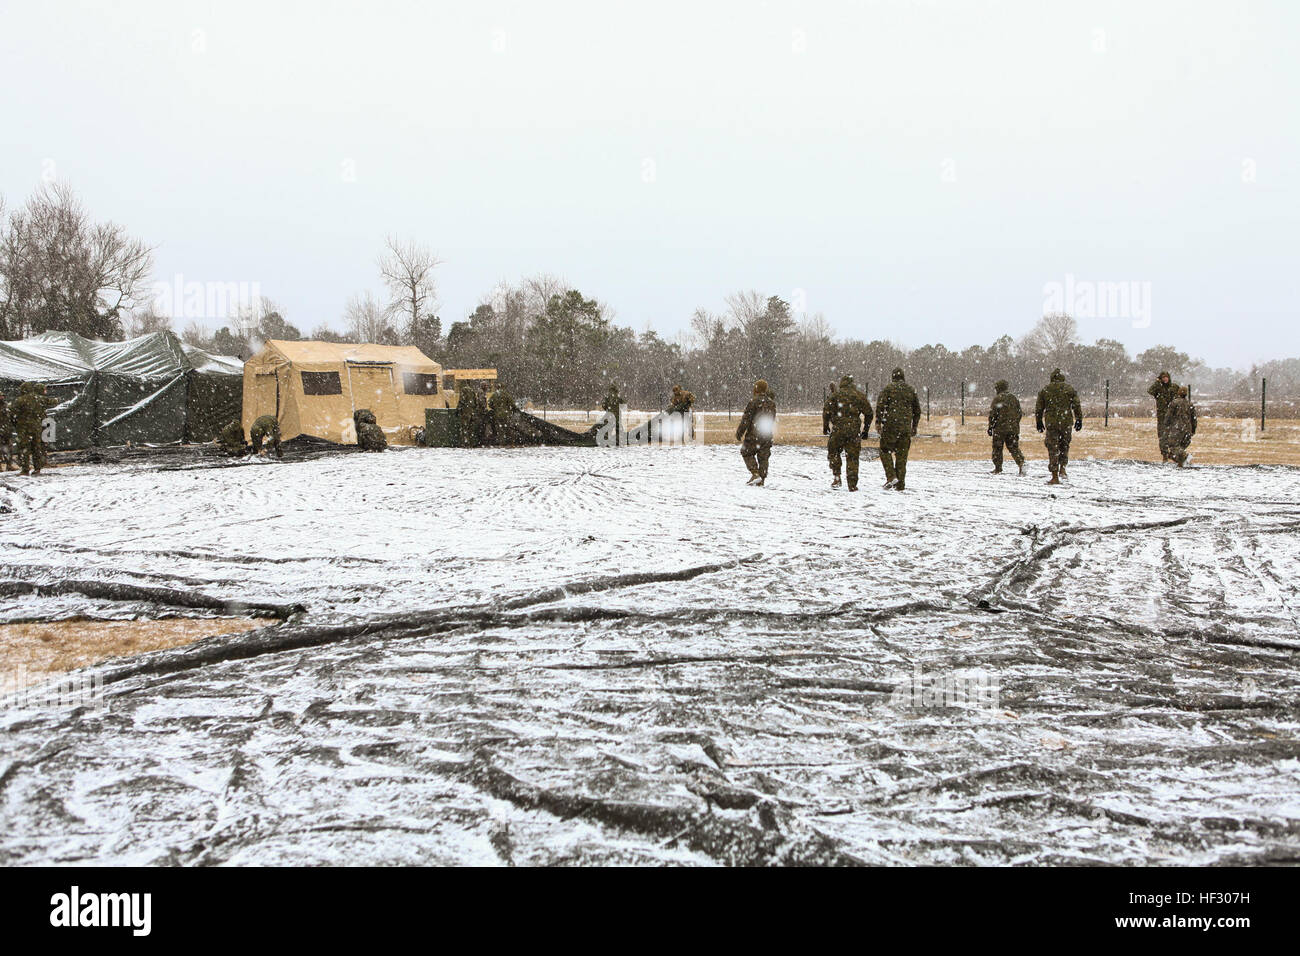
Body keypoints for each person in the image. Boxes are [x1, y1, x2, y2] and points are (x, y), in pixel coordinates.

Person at [823, 374, 873, 491]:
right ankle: (852, 484)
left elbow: (826, 411)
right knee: (853, 457)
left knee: (834, 452)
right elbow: (869, 413)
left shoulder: (836, 395)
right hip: (854, 431)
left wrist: (825, 426)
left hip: (838, 429)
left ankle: (836, 476)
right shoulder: (859, 396)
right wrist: (865, 430)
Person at [875, 368, 921, 491]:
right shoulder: (911, 390)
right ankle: (900, 484)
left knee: (884, 450)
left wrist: (878, 422)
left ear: (893, 377)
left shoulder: (888, 389)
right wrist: (914, 426)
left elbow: (880, 406)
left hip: (890, 426)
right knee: (902, 456)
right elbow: (917, 410)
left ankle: (891, 477)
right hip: (905, 428)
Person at [1035, 368, 1083, 485]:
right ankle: (1063, 468)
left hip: (1052, 423)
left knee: (1053, 448)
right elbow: (1076, 405)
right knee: (1064, 445)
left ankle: (1054, 476)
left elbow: (1039, 408)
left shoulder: (1045, 390)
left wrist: (1039, 422)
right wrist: (1079, 419)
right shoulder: (1069, 389)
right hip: (1066, 422)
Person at [12, 382, 58, 476]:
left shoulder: (19, 400)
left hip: (23, 428)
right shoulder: (39, 399)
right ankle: (37, 468)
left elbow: (13, 414)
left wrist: (17, 423)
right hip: (37, 428)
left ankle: (25, 470)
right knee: (36, 448)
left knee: (24, 449)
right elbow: (53, 401)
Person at [736, 379, 777, 486]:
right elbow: (772, 419)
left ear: (756, 389)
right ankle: (762, 479)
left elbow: (746, 419)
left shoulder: (753, 402)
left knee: (746, 452)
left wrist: (740, 432)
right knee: (764, 457)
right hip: (767, 434)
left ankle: (755, 474)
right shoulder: (772, 403)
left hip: (754, 434)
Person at [987, 379, 1026, 476]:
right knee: (1014, 447)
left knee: (997, 448)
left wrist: (990, 427)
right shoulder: (1013, 398)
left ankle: (998, 468)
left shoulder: (998, 399)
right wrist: (1015, 423)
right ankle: (1021, 464)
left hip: (1000, 429)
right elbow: (1019, 413)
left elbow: (993, 414)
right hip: (1013, 428)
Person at [1147, 371, 1180, 461]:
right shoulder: (1158, 387)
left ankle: (1174, 454)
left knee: (1174, 436)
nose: (1165, 379)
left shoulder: (1174, 387)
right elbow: (1150, 391)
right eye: (1163, 377)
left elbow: (1181, 396)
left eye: (1166, 377)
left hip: (1173, 415)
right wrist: (1157, 382)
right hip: (1162, 416)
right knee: (1162, 436)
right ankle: (1165, 455)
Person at [1163, 386, 1197, 467]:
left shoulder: (1174, 403)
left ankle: (1184, 456)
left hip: (1177, 428)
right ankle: (1181, 462)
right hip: (1187, 429)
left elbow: (1168, 416)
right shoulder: (1190, 404)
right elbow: (1194, 419)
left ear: (1178, 393)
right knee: (1181, 447)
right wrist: (1193, 429)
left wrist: (1166, 424)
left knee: (1173, 445)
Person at [457, 382, 486, 447]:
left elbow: (461, 401)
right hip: (472, 412)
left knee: (464, 428)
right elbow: (476, 402)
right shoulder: (472, 390)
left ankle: (465, 443)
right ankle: (471, 443)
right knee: (471, 429)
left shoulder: (463, 390)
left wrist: (458, 409)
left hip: (465, 412)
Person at [0, 393, 14, 471]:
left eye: (3, 396)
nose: (2, 397)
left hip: (6, 431)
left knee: (9, 448)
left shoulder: (6, 405)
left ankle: (9, 465)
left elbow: (11, 417)